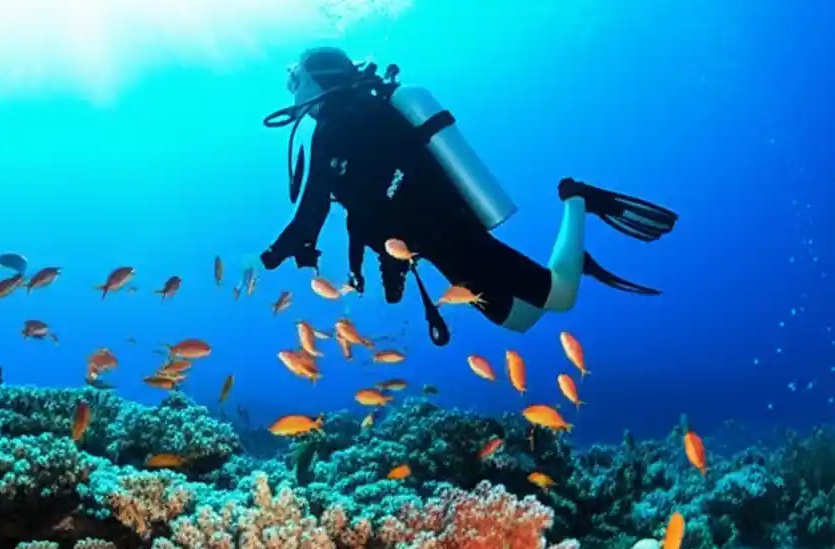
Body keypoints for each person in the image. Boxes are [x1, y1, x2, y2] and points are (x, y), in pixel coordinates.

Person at [259, 47, 678, 345]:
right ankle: (572, 258)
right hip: (431, 246)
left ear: (319, 80)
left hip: (449, 231)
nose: (293, 94)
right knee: (520, 319)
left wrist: (267, 258)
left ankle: (576, 199)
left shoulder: (344, 126)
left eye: (297, 81)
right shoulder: (335, 130)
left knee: (560, 298)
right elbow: (322, 211)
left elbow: (311, 213)